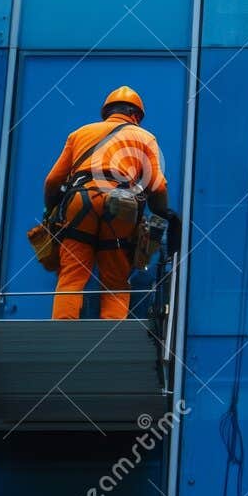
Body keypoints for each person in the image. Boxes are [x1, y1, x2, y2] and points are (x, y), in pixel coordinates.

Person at [43, 86, 180, 320]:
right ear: (135, 115)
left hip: (80, 201)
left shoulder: (80, 133)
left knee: (72, 276)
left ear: (107, 112)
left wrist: (52, 211)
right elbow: (157, 186)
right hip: (121, 205)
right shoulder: (144, 137)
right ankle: (110, 336)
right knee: (115, 279)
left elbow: (52, 180)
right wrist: (162, 212)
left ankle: (61, 332)